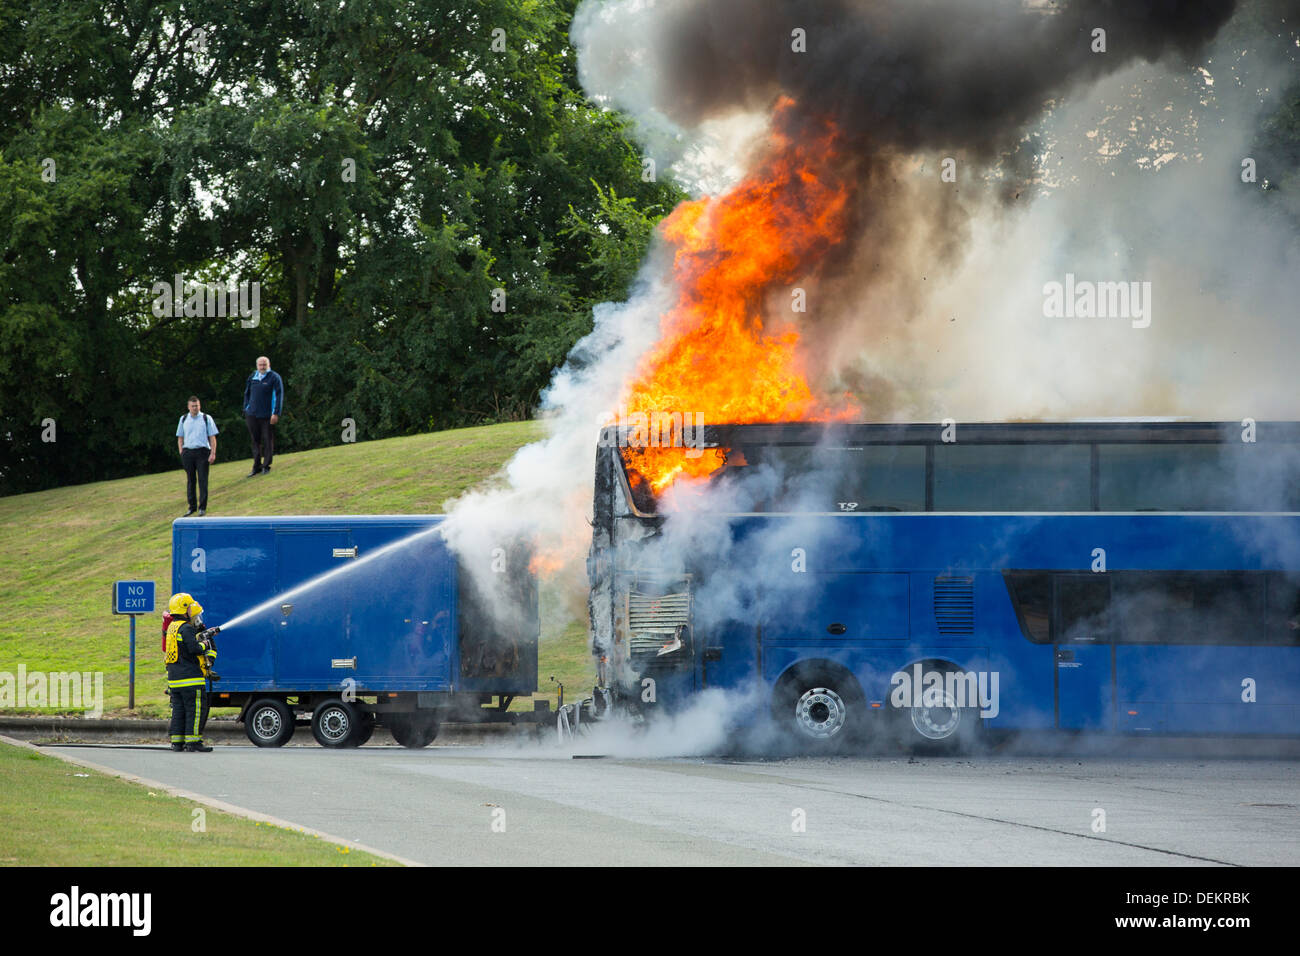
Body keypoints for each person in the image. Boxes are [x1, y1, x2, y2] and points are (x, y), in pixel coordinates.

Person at [164, 593, 218, 752]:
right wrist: (205, 643)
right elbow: (193, 649)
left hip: (175, 678)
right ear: (184, 610)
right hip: (190, 678)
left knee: (179, 711)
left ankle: (177, 742)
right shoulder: (186, 628)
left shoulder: (172, 627)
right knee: (195, 710)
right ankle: (194, 742)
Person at [176, 397, 218, 516]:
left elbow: (212, 437)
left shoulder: (206, 418)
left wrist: (213, 453)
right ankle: (192, 507)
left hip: (202, 452)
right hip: (188, 453)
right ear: (189, 407)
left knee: (203, 480)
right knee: (191, 480)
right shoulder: (183, 419)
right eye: (193, 406)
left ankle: (202, 507)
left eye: (197, 406)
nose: (195, 408)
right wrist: (182, 452)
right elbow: (180, 437)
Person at [243, 355, 284, 476]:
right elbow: (247, 393)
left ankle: (266, 465)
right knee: (255, 441)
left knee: (267, 439)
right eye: (260, 365)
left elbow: (279, 396)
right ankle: (256, 466)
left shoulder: (274, 377)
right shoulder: (252, 377)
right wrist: (246, 408)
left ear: (269, 365)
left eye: (264, 364)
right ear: (257, 366)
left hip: (267, 415)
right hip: (252, 414)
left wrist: (276, 413)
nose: (262, 367)